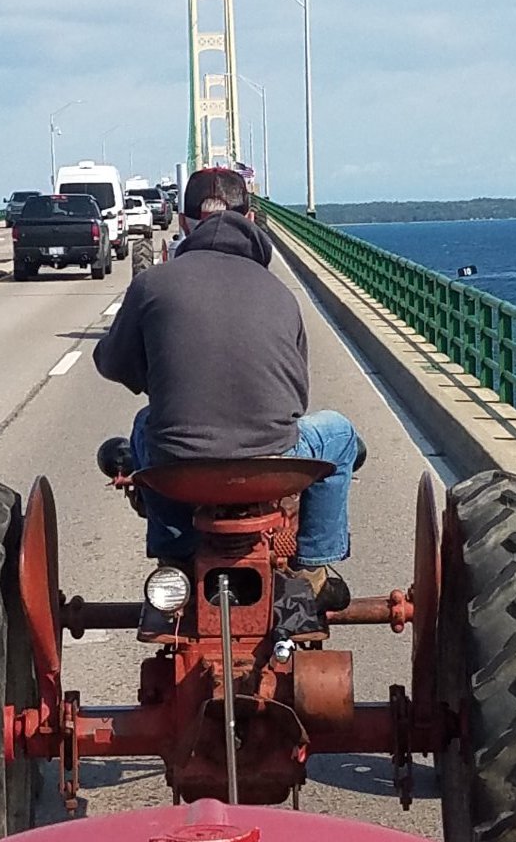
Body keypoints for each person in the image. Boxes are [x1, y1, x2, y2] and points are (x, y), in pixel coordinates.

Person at [93, 167, 358, 611]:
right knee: (340, 434)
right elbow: (297, 398)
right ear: (251, 218)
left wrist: (158, 375)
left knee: (146, 424)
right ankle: (313, 565)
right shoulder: (279, 292)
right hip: (271, 460)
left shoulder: (151, 284)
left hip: (181, 468)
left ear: (181, 222)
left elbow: (112, 363)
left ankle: (173, 554)